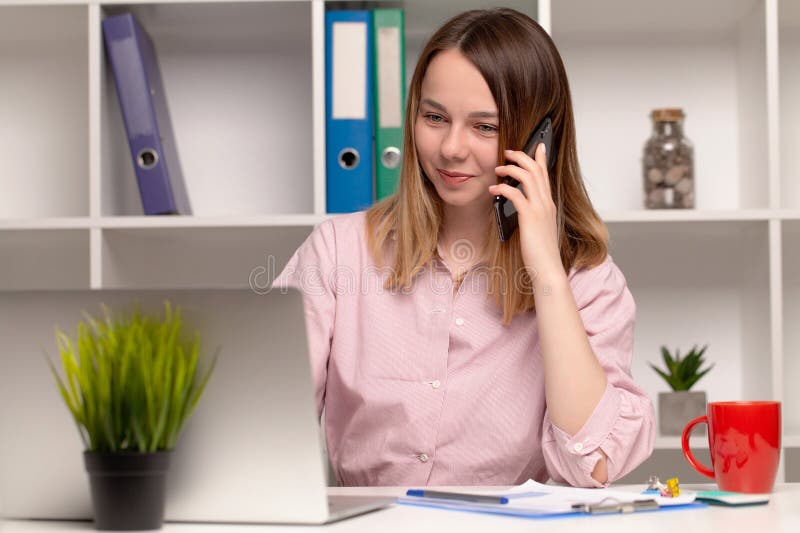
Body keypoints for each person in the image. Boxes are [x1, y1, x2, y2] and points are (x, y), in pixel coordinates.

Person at [273, 7, 654, 487]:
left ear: (543, 142)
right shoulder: (338, 251)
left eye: (485, 127)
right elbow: (260, 426)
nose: (451, 148)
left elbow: (593, 464)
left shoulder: (586, 278)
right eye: (435, 117)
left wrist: (546, 271)